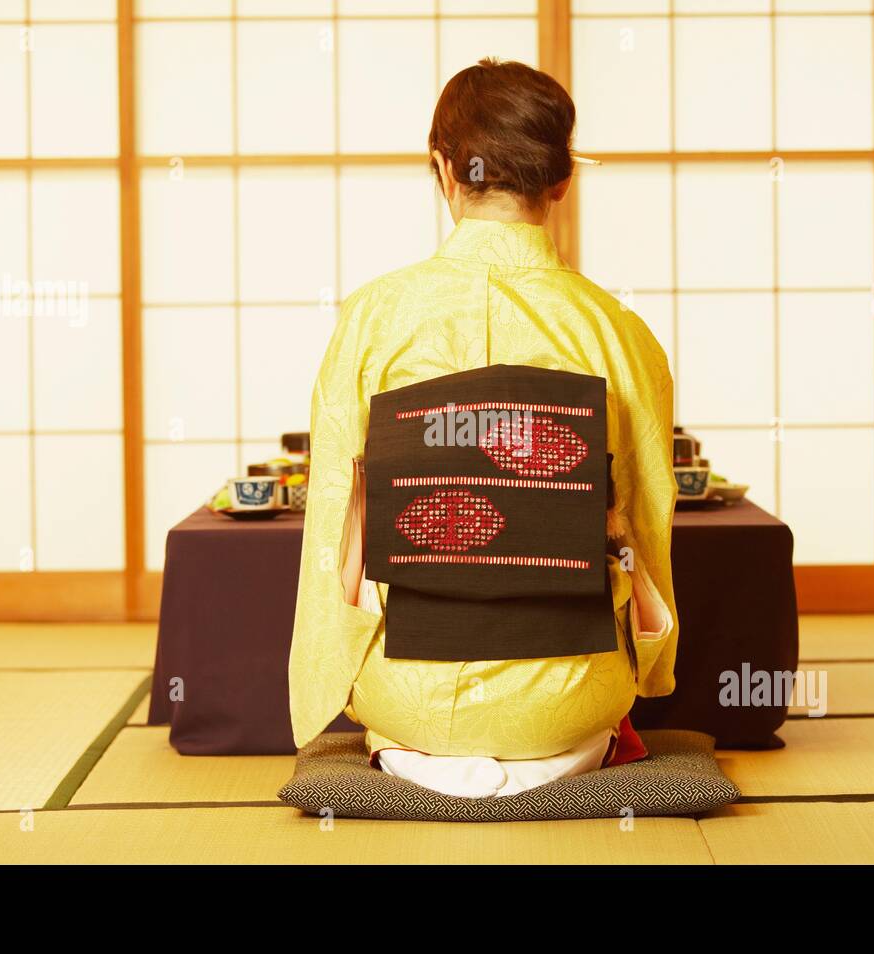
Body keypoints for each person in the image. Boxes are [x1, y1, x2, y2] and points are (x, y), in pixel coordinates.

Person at [289, 58, 677, 796]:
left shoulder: (375, 317)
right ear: (563, 180)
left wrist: (324, 671)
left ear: (442, 170)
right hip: (567, 703)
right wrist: (653, 662)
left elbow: (337, 515)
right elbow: (645, 523)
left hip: (409, 700)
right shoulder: (616, 330)